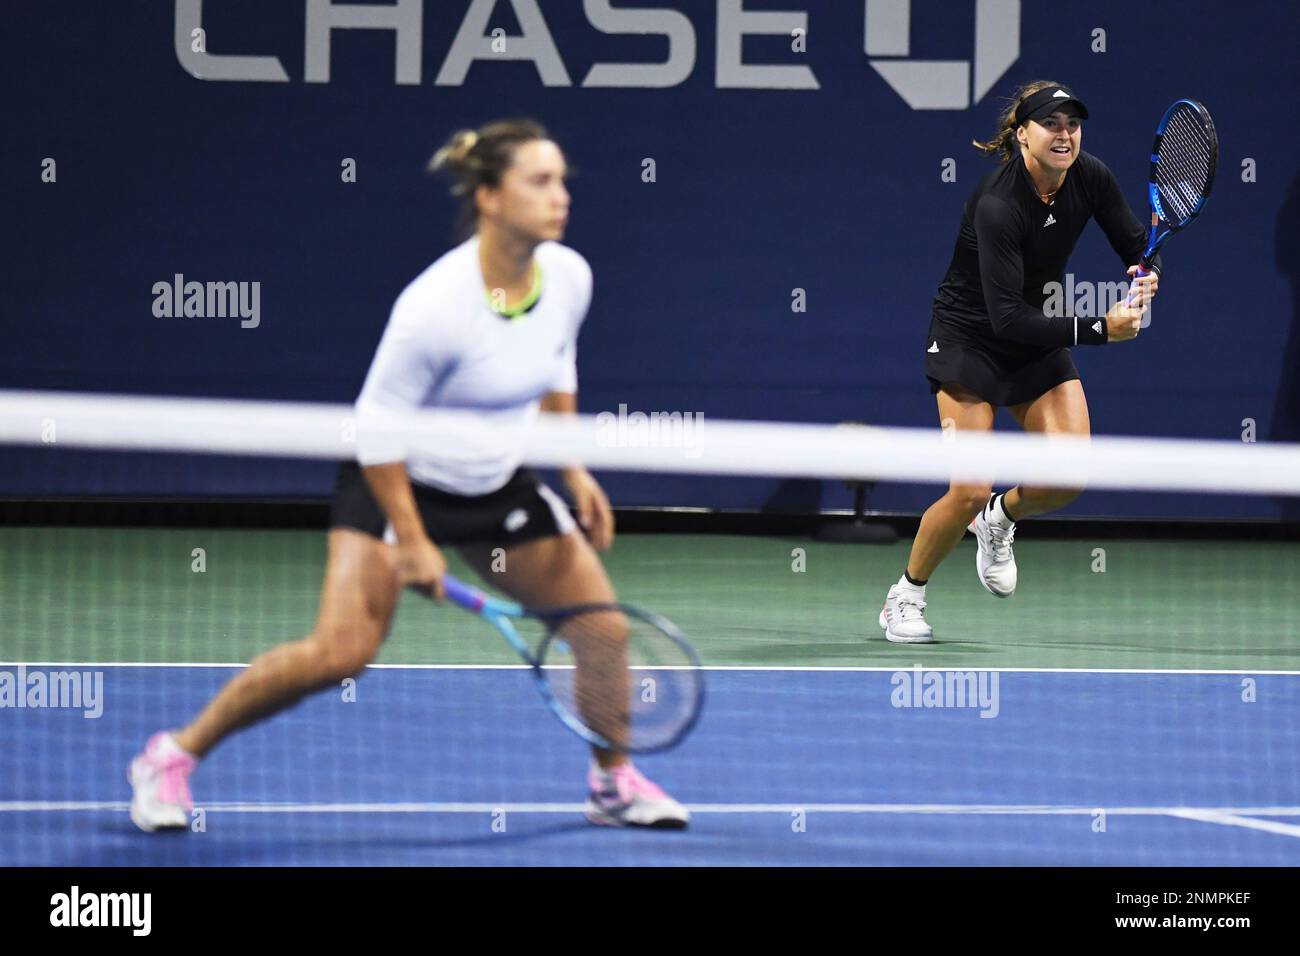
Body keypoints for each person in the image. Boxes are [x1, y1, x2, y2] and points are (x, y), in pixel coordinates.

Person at [129, 119, 689, 830]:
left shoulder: (569, 276)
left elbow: (555, 363)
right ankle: (172, 755)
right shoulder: (434, 307)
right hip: (396, 477)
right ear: (488, 196)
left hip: (497, 481)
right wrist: (412, 536)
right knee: (340, 655)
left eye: (562, 182)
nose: (560, 197)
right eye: (539, 182)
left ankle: (613, 785)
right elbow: (376, 427)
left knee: (604, 633)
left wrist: (572, 465)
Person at [879, 82, 1160, 644]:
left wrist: (1144, 273)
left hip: (1033, 332)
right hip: (970, 339)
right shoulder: (998, 204)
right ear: (1022, 135)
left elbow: (1135, 243)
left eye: (1072, 123)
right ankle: (906, 595)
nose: (1065, 134)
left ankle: (1000, 517)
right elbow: (1005, 319)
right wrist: (1102, 328)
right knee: (965, 488)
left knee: (1069, 475)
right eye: (1050, 123)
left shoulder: (1091, 177)